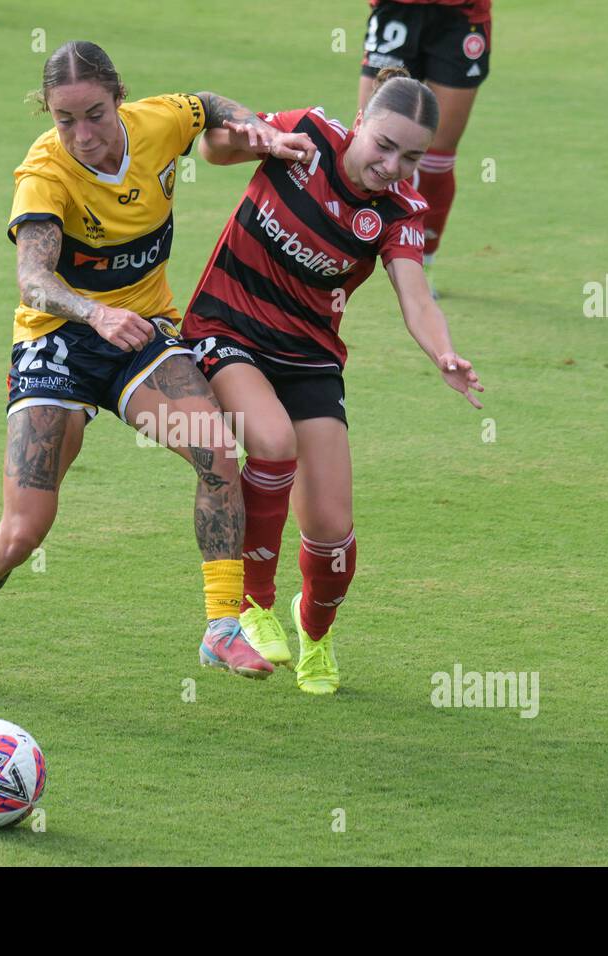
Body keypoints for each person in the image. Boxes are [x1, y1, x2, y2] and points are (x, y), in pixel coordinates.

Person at [0, 41, 319, 698]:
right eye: (65, 120)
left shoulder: (156, 124)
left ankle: (221, 625)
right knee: (24, 530)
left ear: (119, 98)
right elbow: (32, 280)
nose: (82, 135)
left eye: (93, 114)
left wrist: (253, 127)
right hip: (57, 345)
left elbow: (205, 107)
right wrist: (93, 313)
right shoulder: (45, 173)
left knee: (214, 449)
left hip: (139, 335)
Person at [181, 68, 485, 694]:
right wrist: (255, 138)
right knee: (270, 442)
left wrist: (443, 353)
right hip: (226, 329)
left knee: (331, 531)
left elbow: (416, 296)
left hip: (310, 358)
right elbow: (213, 148)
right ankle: (254, 604)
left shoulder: (401, 211)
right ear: (361, 123)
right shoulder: (307, 136)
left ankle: (314, 633)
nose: (393, 164)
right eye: (384, 144)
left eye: (412, 156)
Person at [359, 0, 492, 295]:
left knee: (438, 156)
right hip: (397, 10)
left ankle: (422, 262)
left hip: (462, 16)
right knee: (368, 139)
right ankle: (342, 246)